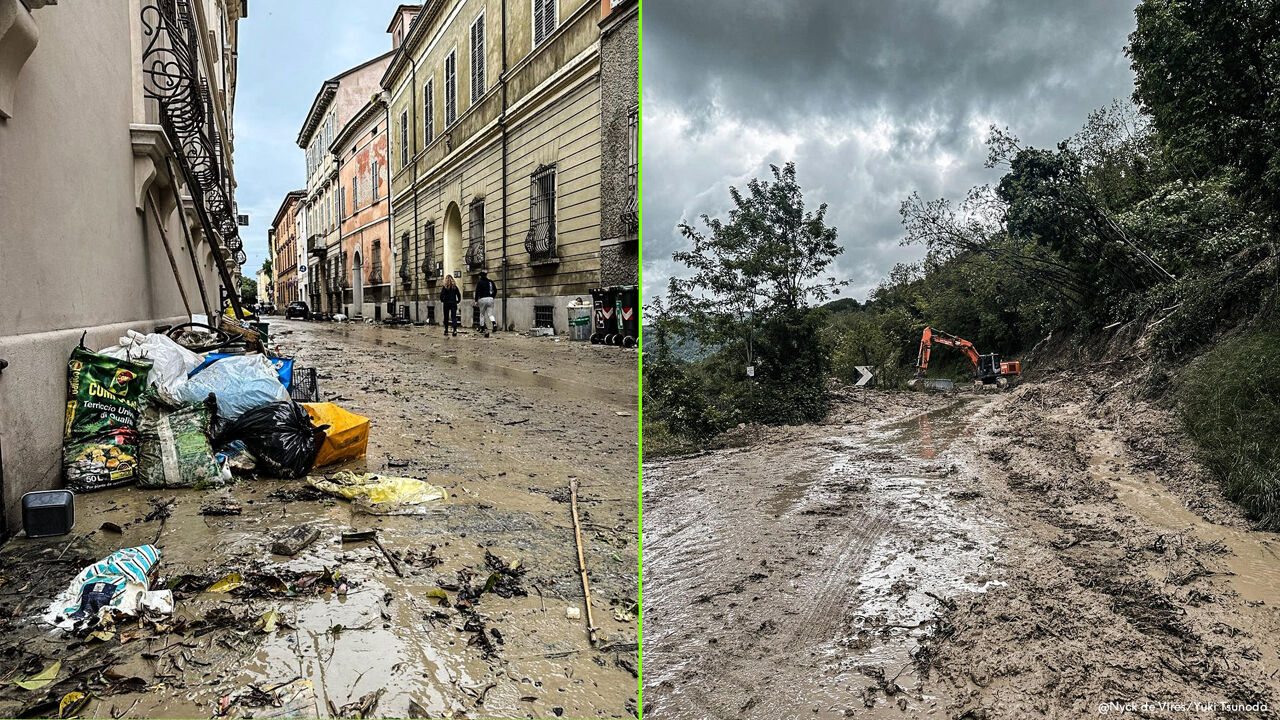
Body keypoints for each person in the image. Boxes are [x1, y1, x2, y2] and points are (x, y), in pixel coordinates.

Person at [474, 271, 498, 337]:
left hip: (482, 299)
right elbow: (495, 290)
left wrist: (476, 300)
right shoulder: (490, 282)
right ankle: (494, 324)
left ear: (480, 276)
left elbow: (477, 292)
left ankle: (482, 328)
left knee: (482, 314)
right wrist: (492, 296)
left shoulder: (480, 282)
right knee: (490, 314)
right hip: (490, 299)